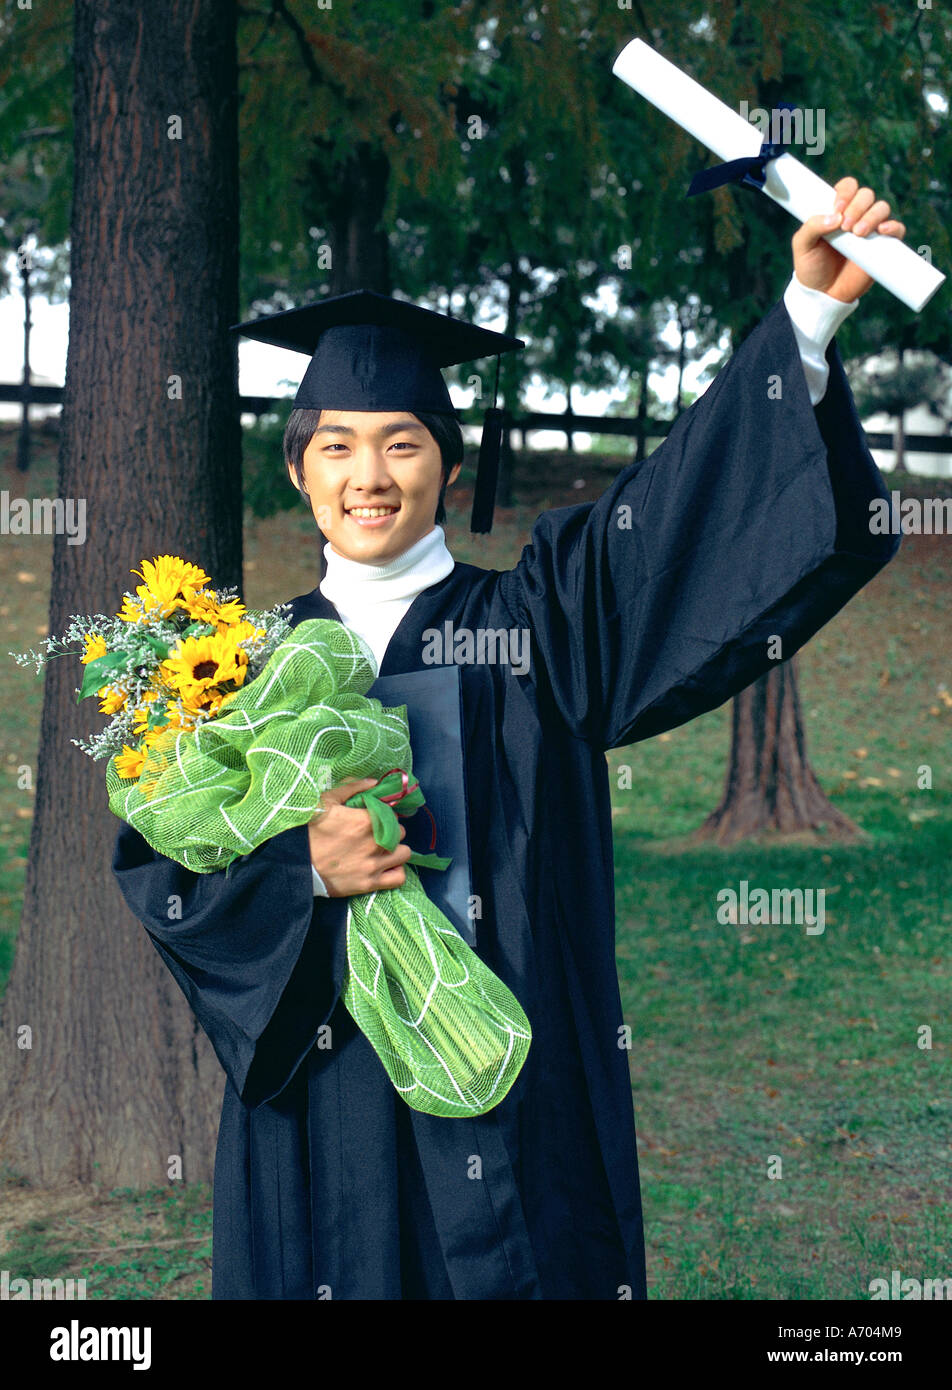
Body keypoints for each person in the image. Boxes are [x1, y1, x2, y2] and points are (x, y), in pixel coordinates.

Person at [113, 177, 905, 1299]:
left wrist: (808, 321)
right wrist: (301, 871)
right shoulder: (227, 670)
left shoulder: (539, 621)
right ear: (298, 468)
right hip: (318, 1099)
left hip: (509, 1093)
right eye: (336, 446)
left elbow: (674, 520)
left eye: (401, 444)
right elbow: (163, 879)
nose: (368, 477)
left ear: (448, 462)